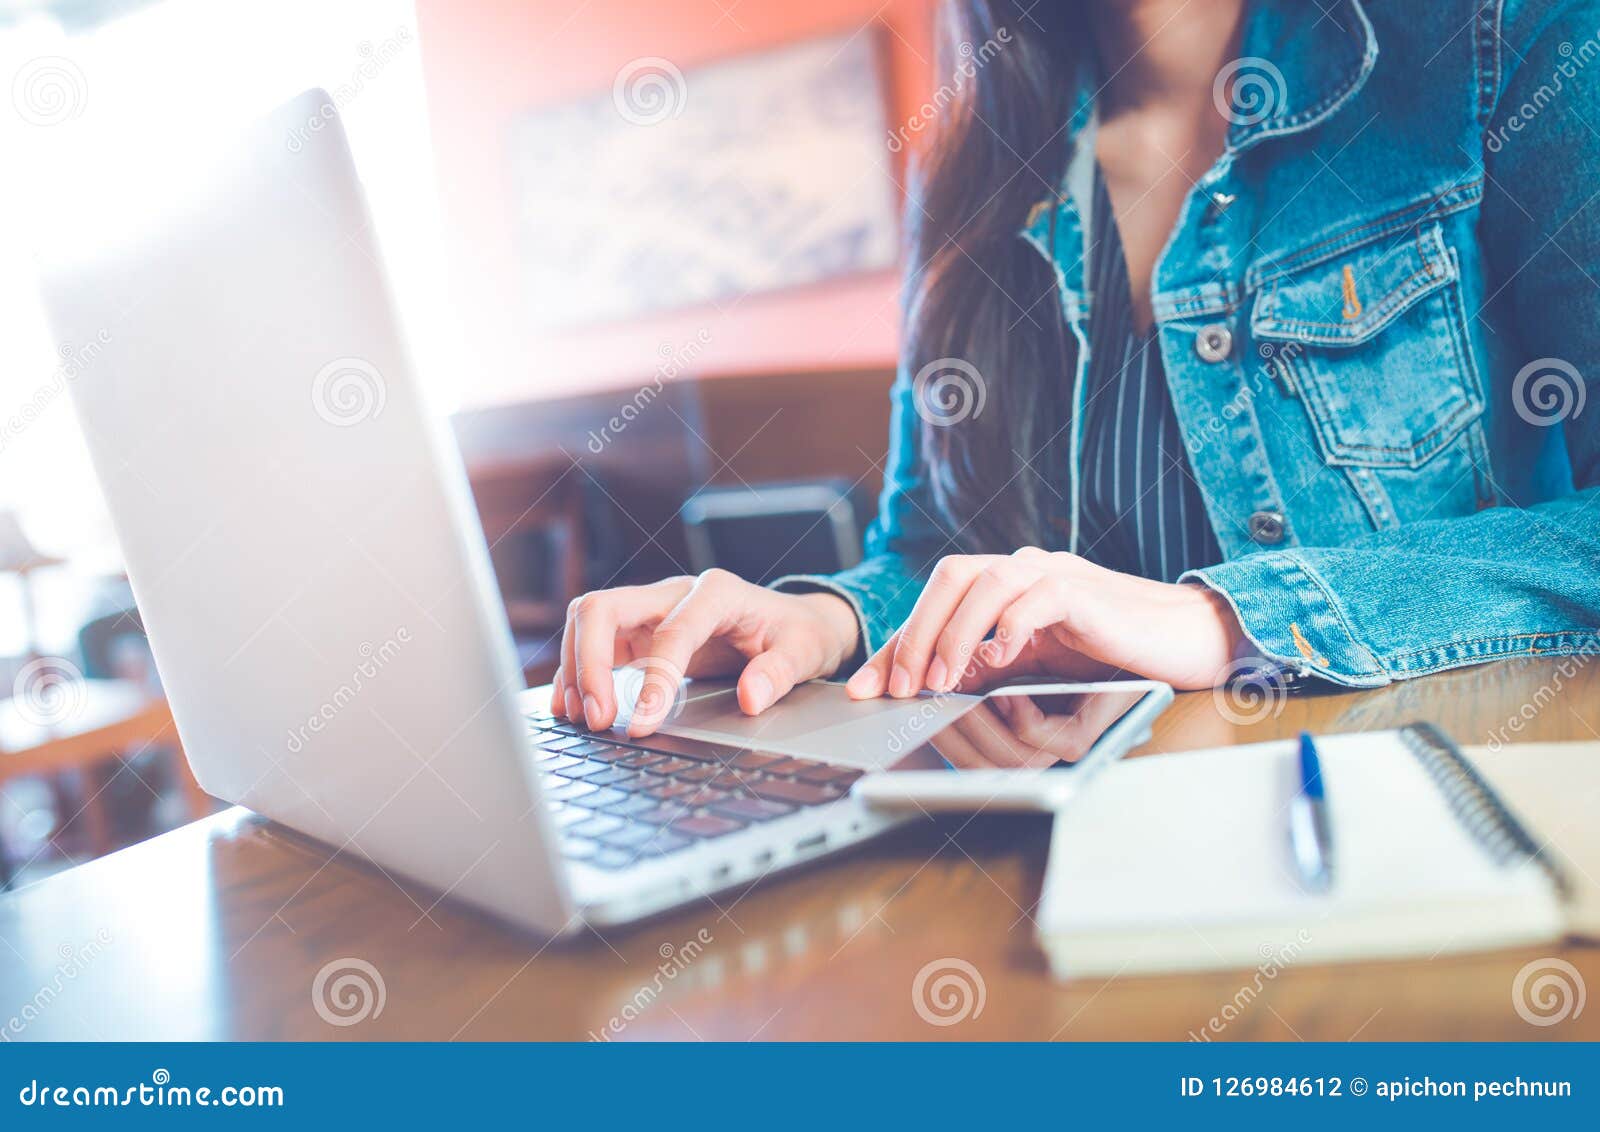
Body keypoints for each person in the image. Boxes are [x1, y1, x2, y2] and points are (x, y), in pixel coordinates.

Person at [553, 0, 1600, 738]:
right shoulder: (969, 177)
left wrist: (1224, 621)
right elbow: (934, 550)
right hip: (1061, 821)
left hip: (1417, 804)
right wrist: (821, 619)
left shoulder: (1501, 45)